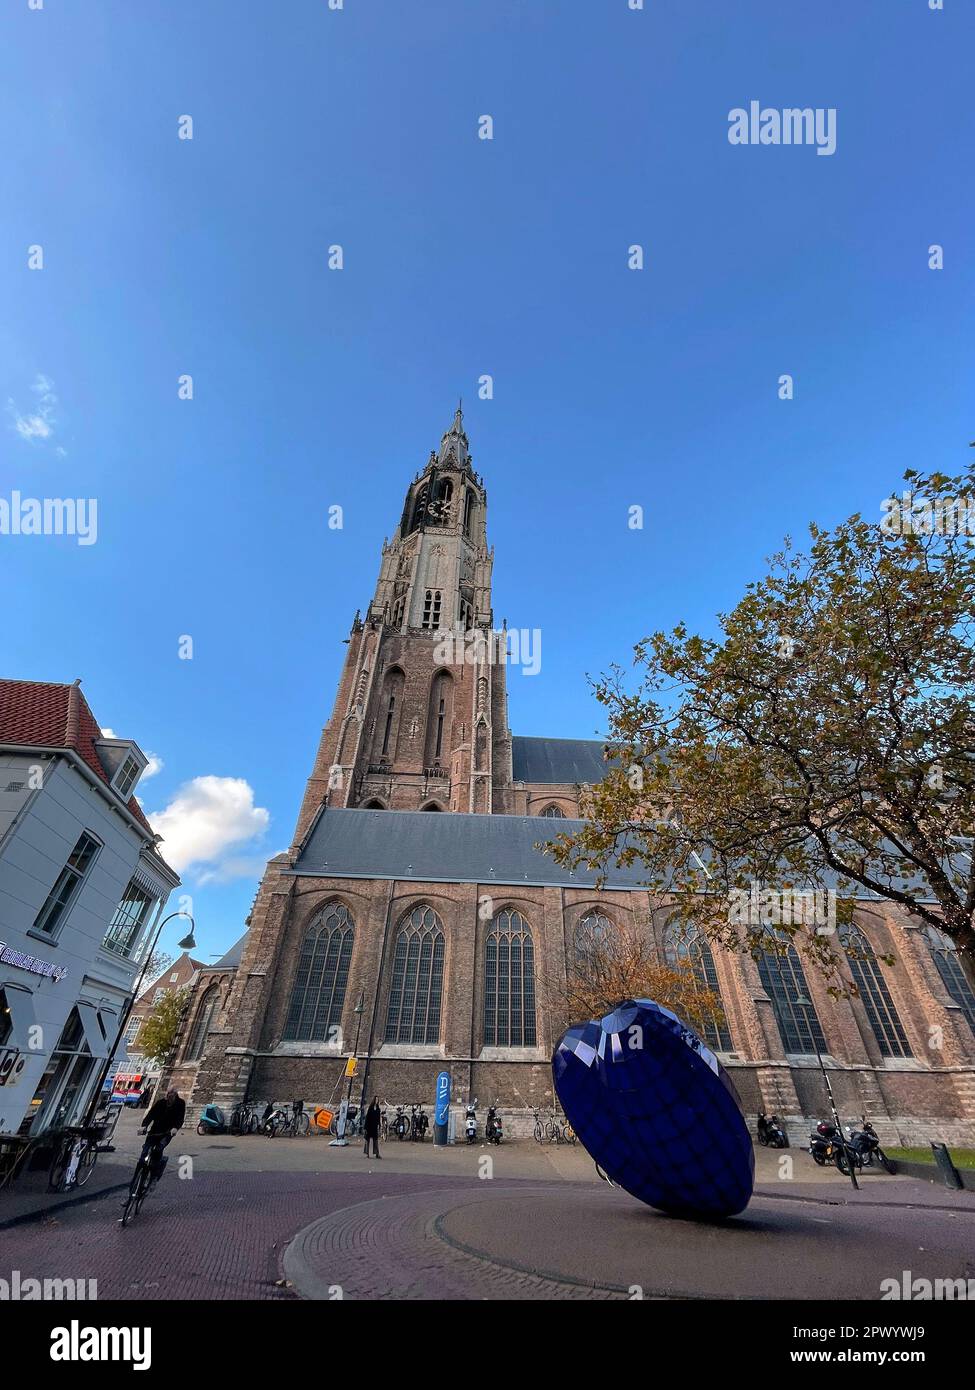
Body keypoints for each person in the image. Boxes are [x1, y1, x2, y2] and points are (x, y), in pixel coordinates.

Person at [138, 1087, 185, 1180]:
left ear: (175, 1094)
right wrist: (144, 1126)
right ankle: (138, 1173)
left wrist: (175, 1128)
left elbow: (180, 1117)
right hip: (154, 1130)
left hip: (167, 1132)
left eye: (171, 1094)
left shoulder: (180, 1104)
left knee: (158, 1149)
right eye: (168, 1093)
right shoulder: (161, 1103)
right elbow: (151, 1114)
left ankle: (155, 1174)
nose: (168, 1095)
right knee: (145, 1151)